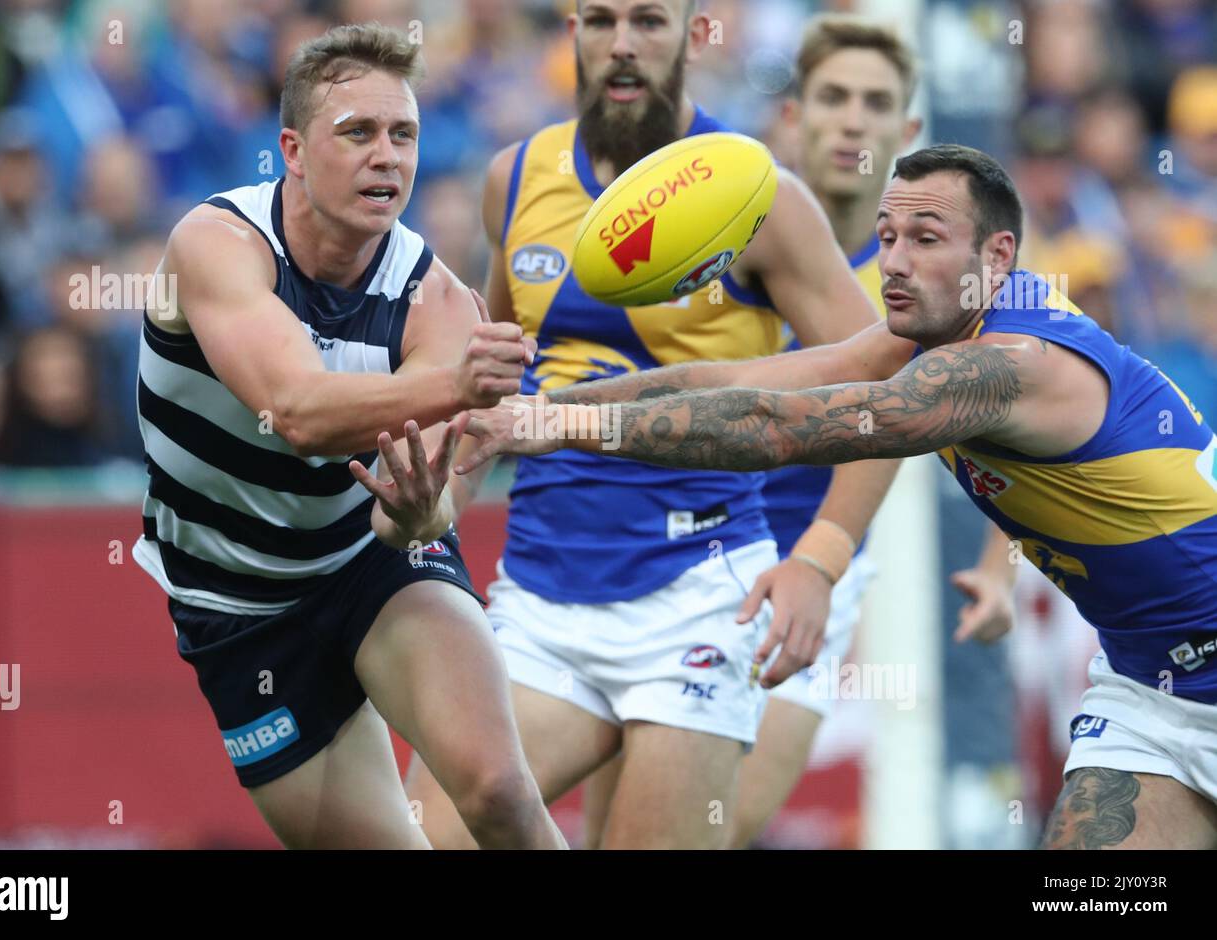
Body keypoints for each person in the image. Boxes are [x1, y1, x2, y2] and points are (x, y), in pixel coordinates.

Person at [460, 143, 1217, 849]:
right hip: (1150, 685)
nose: (894, 260)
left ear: (997, 256)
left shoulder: (1004, 365)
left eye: (926, 238)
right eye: (887, 237)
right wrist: (551, 410)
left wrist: (564, 423)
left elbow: (773, 427)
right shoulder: (932, 331)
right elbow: (744, 382)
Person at [405, 0, 899, 850]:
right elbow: (494, 392)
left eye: (649, 20)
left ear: (697, 34)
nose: (623, 44)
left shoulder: (759, 197)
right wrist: (434, 501)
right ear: (572, 34)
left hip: (698, 599)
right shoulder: (514, 179)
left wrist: (819, 562)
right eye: (600, 20)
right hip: (541, 590)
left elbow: (885, 393)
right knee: (411, 838)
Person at [131, 23, 565, 850]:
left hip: (369, 561)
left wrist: (419, 515)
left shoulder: (434, 298)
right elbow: (294, 412)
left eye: (403, 134)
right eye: (358, 132)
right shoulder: (217, 243)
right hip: (235, 601)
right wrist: (457, 386)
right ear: (292, 150)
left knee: (501, 791)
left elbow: (419, 514)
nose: (388, 157)